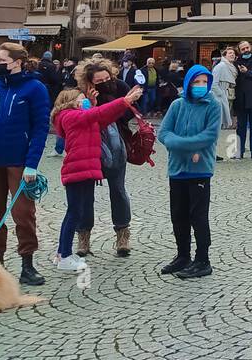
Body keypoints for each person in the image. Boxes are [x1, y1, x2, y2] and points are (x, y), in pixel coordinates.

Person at [0, 42, 51, 286]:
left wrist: (32, 164)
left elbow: (40, 129)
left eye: (2, 61)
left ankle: (27, 264)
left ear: (18, 63)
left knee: (23, 214)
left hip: (19, 161)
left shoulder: (35, 88)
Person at [49, 83, 142, 273]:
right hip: (77, 171)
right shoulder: (69, 116)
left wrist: (119, 105)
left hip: (84, 171)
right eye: (79, 99)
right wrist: (124, 100)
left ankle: (62, 253)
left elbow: (104, 117)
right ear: (69, 102)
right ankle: (64, 255)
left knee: (75, 211)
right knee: (73, 213)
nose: (82, 101)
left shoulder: (81, 117)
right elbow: (96, 114)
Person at [157, 65, 223, 279]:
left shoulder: (213, 105)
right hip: (177, 170)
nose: (201, 86)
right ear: (188, 83)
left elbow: (209, 136)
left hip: (200, 170)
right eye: (197, 82)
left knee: (199, 217)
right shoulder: (177, 105)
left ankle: (202, 260)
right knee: (179, 215)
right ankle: (182, 255)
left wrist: (182, 145)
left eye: (205, 82)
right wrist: (186, 146)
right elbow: (164, 133)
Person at [75, 59, 140, 257]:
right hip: (89, 145)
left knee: (118, 189)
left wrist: (127, 105)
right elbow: (79, 118)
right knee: (85, 194)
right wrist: (90, 104)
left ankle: (122, 233)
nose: (105, 82)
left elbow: (131, 115)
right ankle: (83, 236)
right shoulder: (82, 93)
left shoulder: (121, 86)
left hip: (116, 144)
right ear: (91, 82)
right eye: (99, 80)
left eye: (107, 78)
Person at [210, 47, 238, 159]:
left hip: (226, 96)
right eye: (230, 53)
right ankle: (211, 152)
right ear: (225, 55)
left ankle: (212, 151)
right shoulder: (221, 66)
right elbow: (214, 83)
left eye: (233, 53)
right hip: (220, 97)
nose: (232, 54)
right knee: (215, 126)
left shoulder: (231, 67)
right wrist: (221, 96)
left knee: (219, 126)